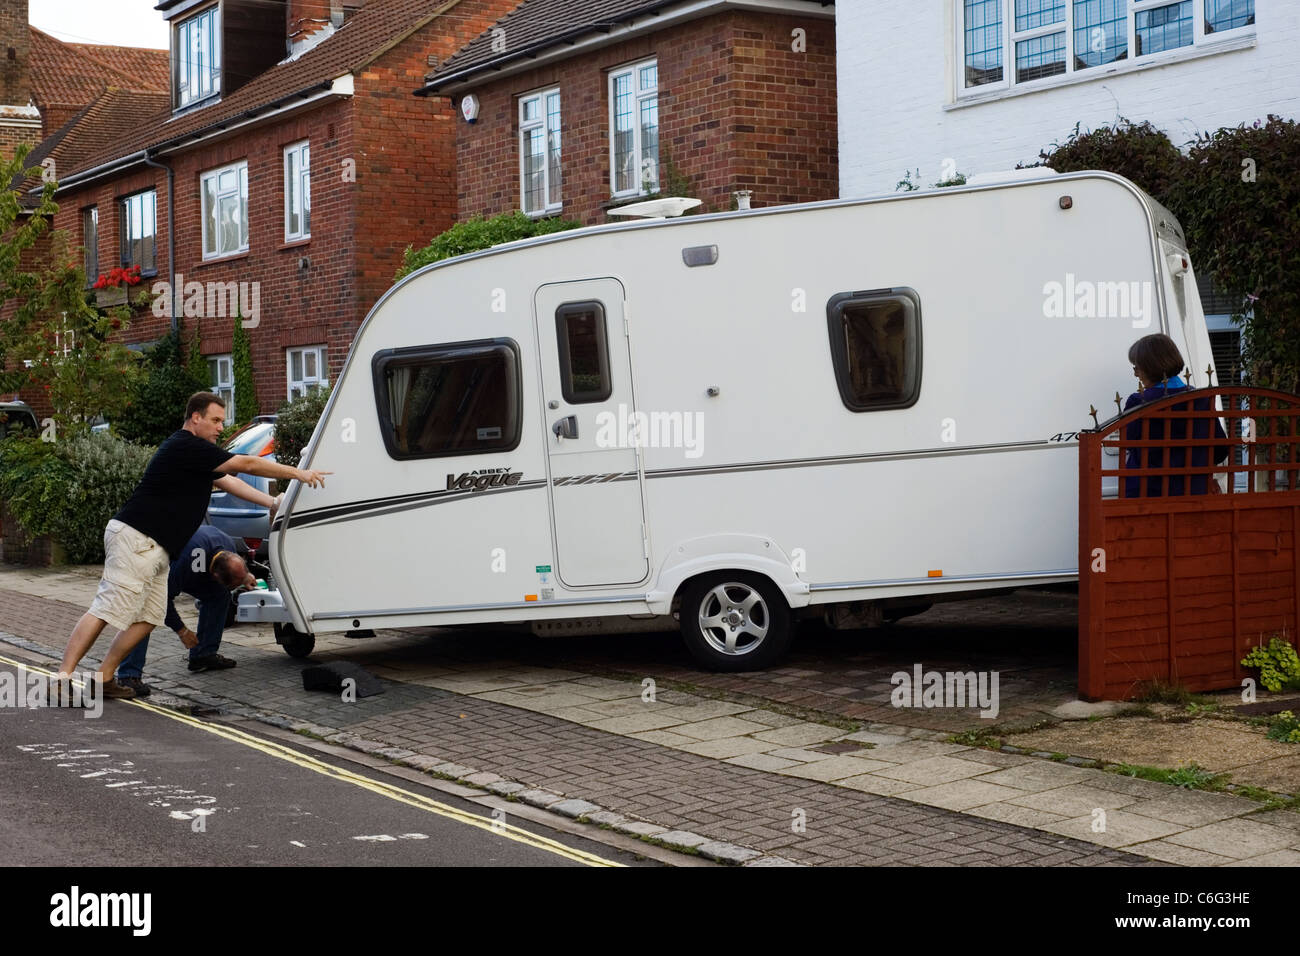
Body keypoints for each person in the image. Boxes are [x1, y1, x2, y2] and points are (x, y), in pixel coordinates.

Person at [57, 391, 330, 699]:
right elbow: (248, 464)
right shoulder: (187, 445)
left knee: (148, 618)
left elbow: (230, 481)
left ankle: (104, 677)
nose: (219, 428)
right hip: (135, 538)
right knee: (105, 609)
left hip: (157, 549)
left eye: (222, 422)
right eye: (214, 420)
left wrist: (272, 501)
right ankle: (60, 680)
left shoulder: (198, 455)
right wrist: (299, 474)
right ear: (195, 418)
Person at [114, 524, 262, 697]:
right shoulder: (185, 559)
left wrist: (245, 577)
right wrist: (182, 631)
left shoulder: (228, 546)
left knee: (220, 595)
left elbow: (235, 569)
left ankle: (203, 655)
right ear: (215, 576)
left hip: (194, 569)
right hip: (146, 564)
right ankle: (129, 675)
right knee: (145, 611)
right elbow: (162, 600)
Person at [1122, 334, 1229, 498]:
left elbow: (1127, 443)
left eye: (1137, 367)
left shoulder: (1139, 401)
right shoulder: (1200, 399)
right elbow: (1219, 450)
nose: (1136, 374)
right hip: (1193, 494)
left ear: (1150, 366)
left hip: (1147, 496)